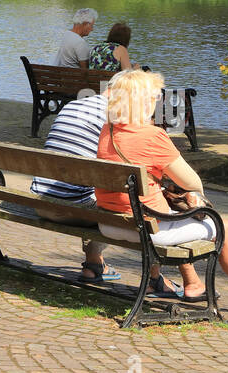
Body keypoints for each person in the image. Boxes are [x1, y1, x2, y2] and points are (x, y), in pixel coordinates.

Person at [97, 69, 228, 315]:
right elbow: (193, 183)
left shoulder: (107, 131)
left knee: (174, 211)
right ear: (142, 101)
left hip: (111, 223)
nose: (157, 102)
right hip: (148, 229)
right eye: (153, 97)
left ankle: (193, 284)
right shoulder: (153, 136)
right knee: (224, 227)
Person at [31, 91, 197, 297]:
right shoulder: (116, 120)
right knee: (128, 206)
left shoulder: (75, 105)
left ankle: (93, 265)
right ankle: (168, 280)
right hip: (71, 207)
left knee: (108, 196)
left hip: (40, 200)